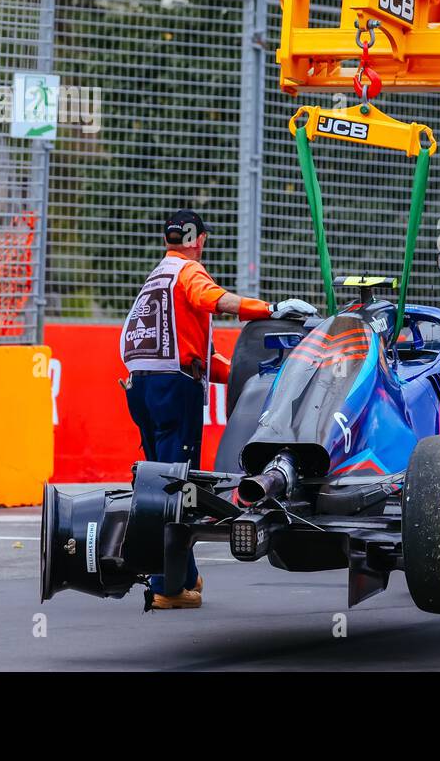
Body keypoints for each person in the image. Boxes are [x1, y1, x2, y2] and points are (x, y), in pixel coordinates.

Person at [120, 208, 314, 610]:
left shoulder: (156, 278)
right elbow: (214, 300)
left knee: (162, 480)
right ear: (199, 240)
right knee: (176, 486)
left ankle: (184, 577)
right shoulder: (188, 273)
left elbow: (208, 363)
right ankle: (166, 588)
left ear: (168, 238)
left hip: (141, 387)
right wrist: (271, 309)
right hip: (174, 388)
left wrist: (259, 374)